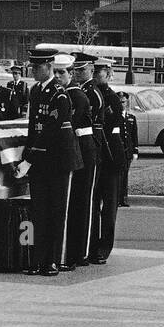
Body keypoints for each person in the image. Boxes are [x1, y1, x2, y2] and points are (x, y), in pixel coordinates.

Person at [15, 49, 80, 276]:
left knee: (56, 211)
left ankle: (52, 260)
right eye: (32, 67)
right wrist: (26, 156)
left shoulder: (59, 95)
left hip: (58, 161)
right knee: (37, 212)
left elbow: (51, 130)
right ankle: (36, 259)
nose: (33, 71)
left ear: (49, 67)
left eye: (38, 67)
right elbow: (33, 128)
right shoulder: (35, 91)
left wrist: (29, 159)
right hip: (40, 160)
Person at [87, 57, 124, 264]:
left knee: (108, 208)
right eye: (95, 70)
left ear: (108, 73)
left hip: (110, 158)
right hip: (95, 158)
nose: (96, 74)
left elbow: (114, 131)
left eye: (100, 70)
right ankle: (90, 244)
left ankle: (104, 247)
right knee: (91, 204)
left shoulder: (112, 98)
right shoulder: (90, 94)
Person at [63, 53, 98, 268]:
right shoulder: (74, 93)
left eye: (80, 69)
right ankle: (75, 250)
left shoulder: (89, 94)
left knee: (84, 203)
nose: (77, 73)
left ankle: (82, 251)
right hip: (77, 149)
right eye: (74, 69)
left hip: (85, 148)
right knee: (75, 202)